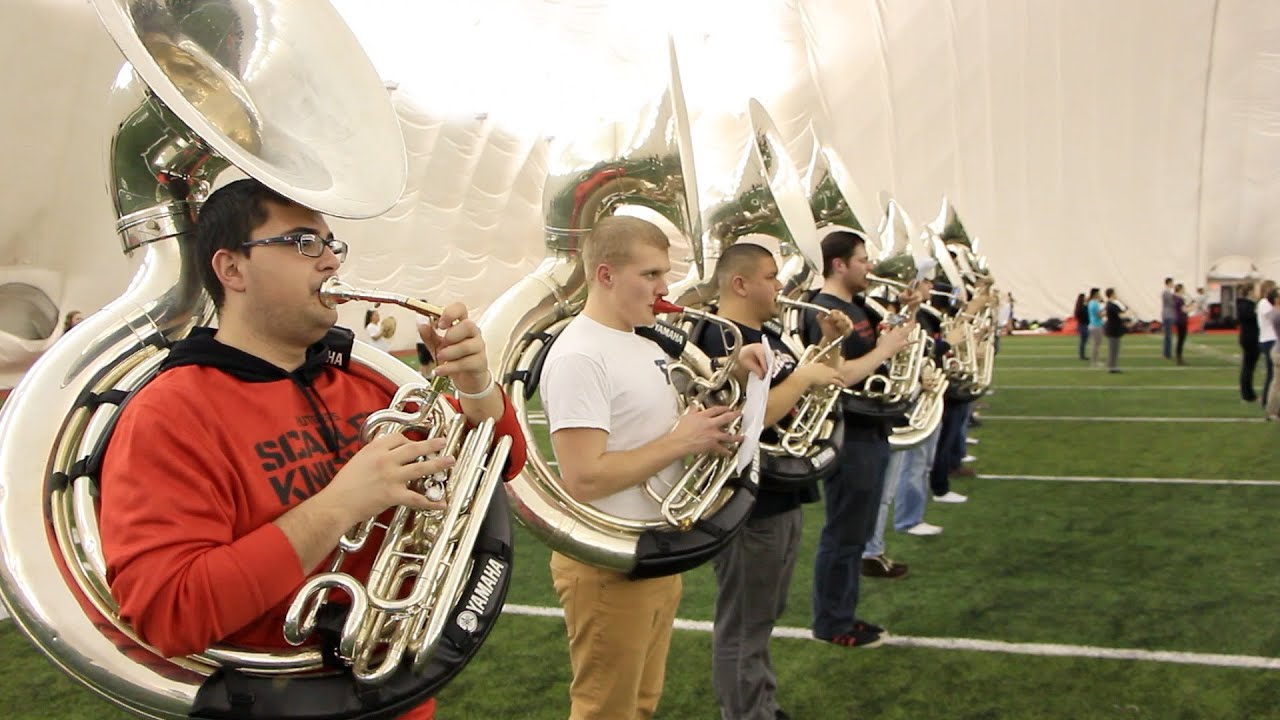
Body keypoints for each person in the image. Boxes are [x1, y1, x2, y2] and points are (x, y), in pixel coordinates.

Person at [98, 178, 528, 720]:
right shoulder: (169, 414)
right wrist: (338, 505)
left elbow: (500, 465)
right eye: (303, 243)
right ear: (232, 270)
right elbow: (170, 614)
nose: (329, 261)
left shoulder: (366, 383)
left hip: (399, 696)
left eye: (331, 244)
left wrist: (476, 385)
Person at [539, 215, 764, 720]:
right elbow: (583, 478)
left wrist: (729, 388)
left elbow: (651, 431)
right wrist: (680, 439)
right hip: (608, 563)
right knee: (605, 710)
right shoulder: (580, 354)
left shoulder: (643, 338)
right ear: (605, 275)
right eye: (652, 275)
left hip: (652, 546)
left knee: (640, 704)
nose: (666, 289)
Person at [695, 243, 848, 720]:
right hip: (749, 504)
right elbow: (748, 420)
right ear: (740, 284)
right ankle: (746, 713)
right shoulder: (721, 337)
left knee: (762, 616)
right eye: (770, 276)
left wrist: (830, 342)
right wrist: (802, 377)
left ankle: (761, 704)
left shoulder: (768, 335)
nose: (780, 286)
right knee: (744, 623)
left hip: (779, 494)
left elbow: (824, 384)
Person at [801, 230, 913, 649]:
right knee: (844, 532)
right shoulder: (823, 310)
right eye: (862, 259)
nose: (869, 266)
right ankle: (832, 622)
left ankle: (841, 613)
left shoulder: (855, 304)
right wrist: (884, 350)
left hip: (871, 427)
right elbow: (839, 374)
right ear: (839, 264)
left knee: (856, 531)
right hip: (848, 432)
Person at [1237, 285, 1260, 403]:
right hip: (1250, 338)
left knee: (1248, 367)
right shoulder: (1246, 305)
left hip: (1248, 338)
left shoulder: (1245, 304)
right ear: (1250, 292)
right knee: (1248, 368)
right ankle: (1247, 395)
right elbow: (1252, 318)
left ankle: (1248, 393)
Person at [1258, 280, 1277, 410]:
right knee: (1272, 374)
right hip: (1268, 339)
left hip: (1271, 339)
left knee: (1273, 374)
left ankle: (1268, 400)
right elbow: (1273, 317)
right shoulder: (1264, 303)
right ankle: (1266, 399)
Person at [1264, 286, 1280, 421]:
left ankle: (1273, 410)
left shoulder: (1274, 312)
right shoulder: (1277, 314)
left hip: (1277, 350)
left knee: (1276, 383)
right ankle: (1272, 411)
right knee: (1276, 384)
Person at [1103, 288, 1126, 373]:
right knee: (1113, 349)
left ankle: (1112, 365)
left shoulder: (1110, 304)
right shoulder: (1111, 305)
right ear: (1112, 294)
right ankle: (1112, 367)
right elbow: (1121, 314)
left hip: (1113, 329)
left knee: (1113, 349)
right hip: (1113, 330)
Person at [1086, 288, 1104, 366]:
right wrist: (1107, 312)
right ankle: (1094, 361)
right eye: (1099, 293)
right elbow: (1099, 315)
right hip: (1096, 325)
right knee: (1096, 345)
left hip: (1093, 325)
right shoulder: (1094, 303)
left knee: (1095, 344)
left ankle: (1094, 361)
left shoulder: (1091, 303)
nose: (1100, 295)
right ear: (1095, 294)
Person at [1173, 283, 1189, 365]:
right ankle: (1179, 358)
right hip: (1182, 320)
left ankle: (1178, 357)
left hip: (1178, 320)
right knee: (1181, 340)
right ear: (1180, 289)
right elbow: (1184, 310)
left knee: (1179, 339)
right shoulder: (1180, 299)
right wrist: (1193, 307)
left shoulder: (1174, 298)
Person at [1161, 277, 1176, 359]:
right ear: (1169, 283)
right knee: (1168, 336)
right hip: (1168, 315)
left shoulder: (1168, 293)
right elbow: (1171, 304)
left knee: (1168, 335)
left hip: (1167, 314)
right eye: (1172, 283)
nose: (1173, 284)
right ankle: (1167, 354)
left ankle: (1167, 353)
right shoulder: (1167, 293)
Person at [1073, 292, 1089, 360]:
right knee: (1083, 341)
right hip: (1083, 325)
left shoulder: (1078, 307)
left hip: (1081, 325)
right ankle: (1082, 355)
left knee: (1083, 341)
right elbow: (1086, 316)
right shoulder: (1083, 307)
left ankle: (1082, 355)